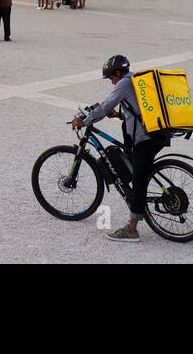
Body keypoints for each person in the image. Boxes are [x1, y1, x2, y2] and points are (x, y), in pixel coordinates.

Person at [71, 55, 166, 243]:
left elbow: (105, 106)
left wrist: (84, 121)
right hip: (157, 134)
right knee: (139, 169)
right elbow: (140, 110)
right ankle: (138, 198)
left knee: (139, 180)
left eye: (110, 78)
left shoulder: (123, 83)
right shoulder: (136, 79)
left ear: (116, 73)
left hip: (145, 138)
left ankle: (132, 229)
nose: (111, 82)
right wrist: (119, 115)